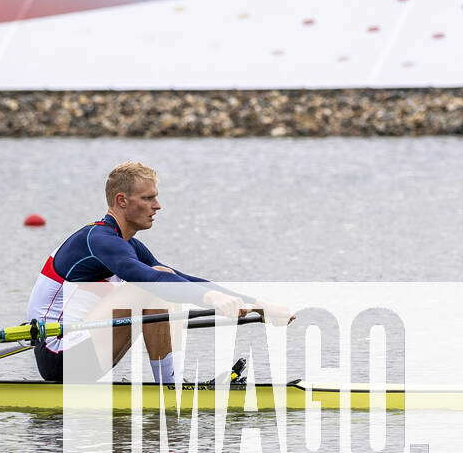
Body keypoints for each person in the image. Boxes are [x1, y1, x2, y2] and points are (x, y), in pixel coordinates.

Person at [26, 161, 287, 383]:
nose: (157, 205)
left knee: (162, 276)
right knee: (149, 287)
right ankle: (171, 388)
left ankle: (170, 384)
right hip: (57, 355)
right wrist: (211, 299)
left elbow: (179, 278)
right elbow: (151, 281)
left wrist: (254, 303)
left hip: (81, 350)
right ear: (122, 200)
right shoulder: (98, 240)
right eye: (148, 198)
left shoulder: (128, 245)